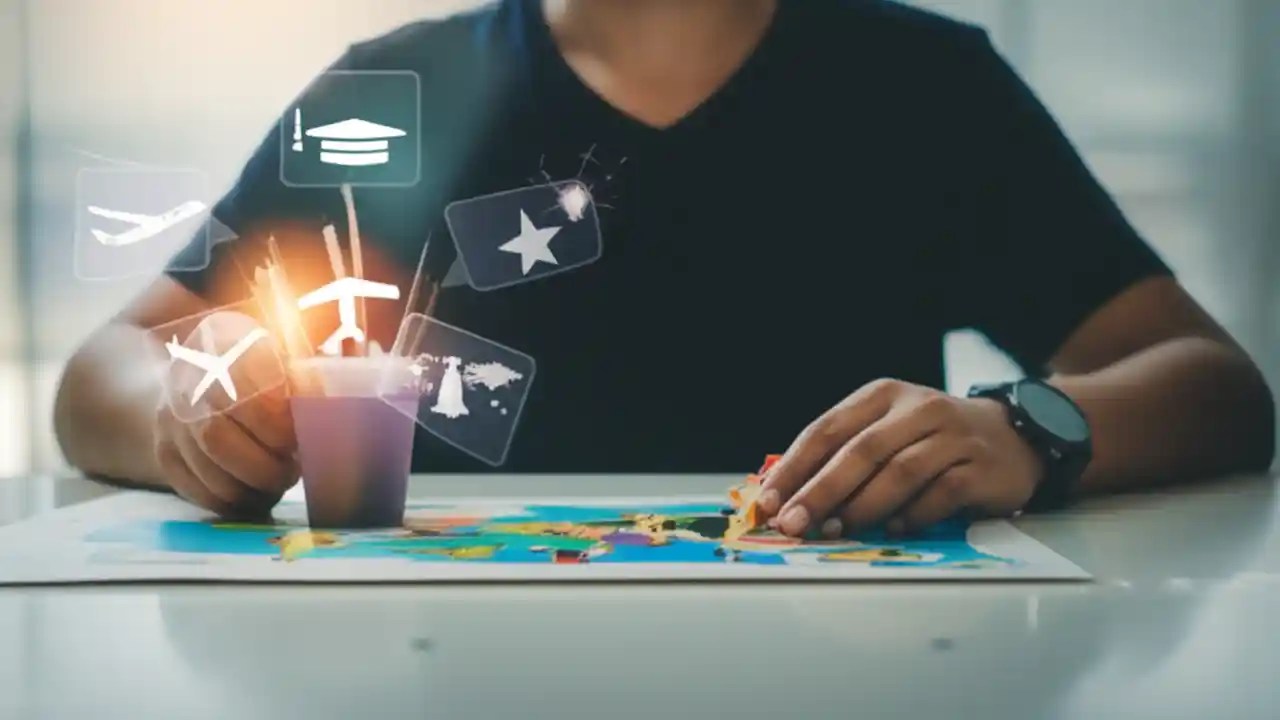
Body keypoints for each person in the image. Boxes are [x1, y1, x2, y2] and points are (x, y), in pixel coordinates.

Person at [54, 0, 1274, 536]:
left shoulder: (929, 92)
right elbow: (98, 374)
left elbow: (1213, 385)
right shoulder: (394, 92)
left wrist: (1026, 433)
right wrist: (183, 413)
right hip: (437, 660)